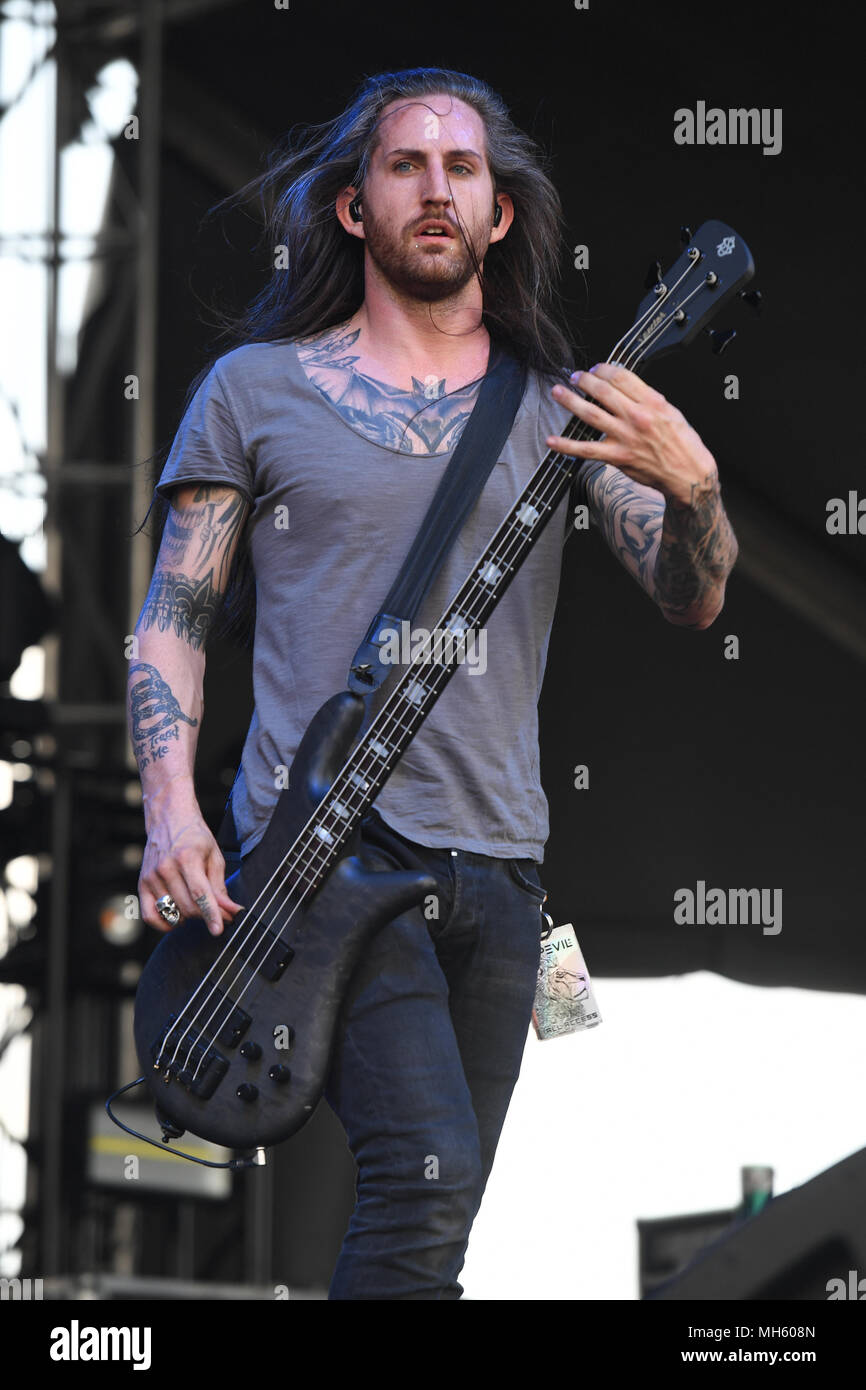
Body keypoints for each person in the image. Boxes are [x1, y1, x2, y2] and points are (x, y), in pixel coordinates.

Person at [128, 67, 738, 1299]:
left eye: (463, 168)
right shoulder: (256, 390)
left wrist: (696, 493)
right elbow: (174, 618)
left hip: (501, 873)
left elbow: (692, 596)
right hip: (324, 852)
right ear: (353, 207)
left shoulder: (561, 412)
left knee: (439, 1224)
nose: (436, 189)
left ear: (499, 214)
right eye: (404, 164)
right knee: (422, 1178)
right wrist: (170, 807)